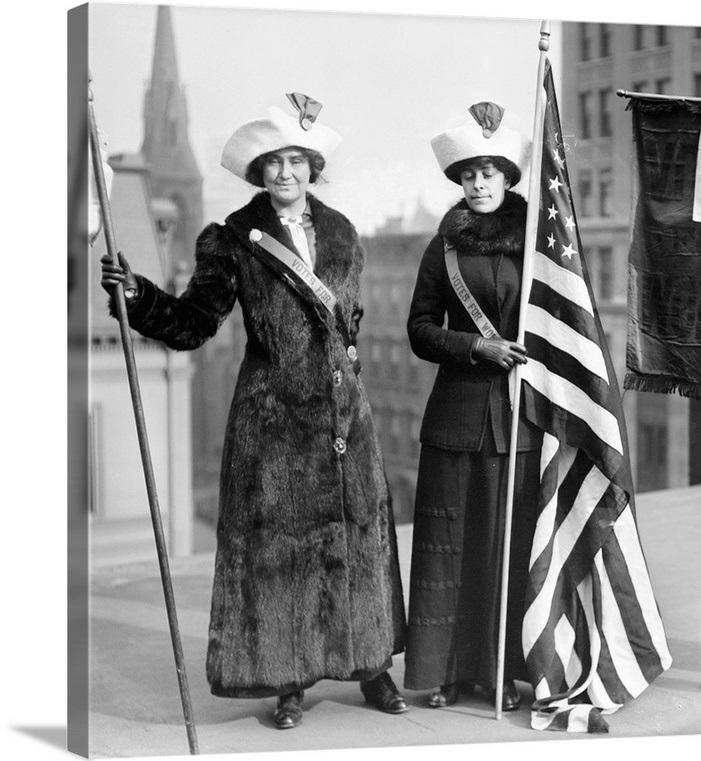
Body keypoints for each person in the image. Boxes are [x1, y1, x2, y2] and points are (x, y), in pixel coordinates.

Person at [100, 95, 408, 728]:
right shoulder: (233, 239)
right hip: (273, 423)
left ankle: (372, 664)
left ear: (313, 166)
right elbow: (192, 323)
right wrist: (136, 295)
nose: (285, 172)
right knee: (280, 552)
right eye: (273, 161)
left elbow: (349, 320)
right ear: (258, 170)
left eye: (296, 160)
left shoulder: (344, 231)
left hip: (346, 418)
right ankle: (287, 678)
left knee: (360, 539)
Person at [403, 102, 540, 711]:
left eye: (489, 172)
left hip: (517, 418)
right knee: (450, 547)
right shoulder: (445, 247)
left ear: (509, 178)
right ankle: (448, 674)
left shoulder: (538, 244)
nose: (479, 183)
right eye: (468, 174)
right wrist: (475, 346)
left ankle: (500, 673)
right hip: (455, 418)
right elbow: (418, 329)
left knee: (504, 548)